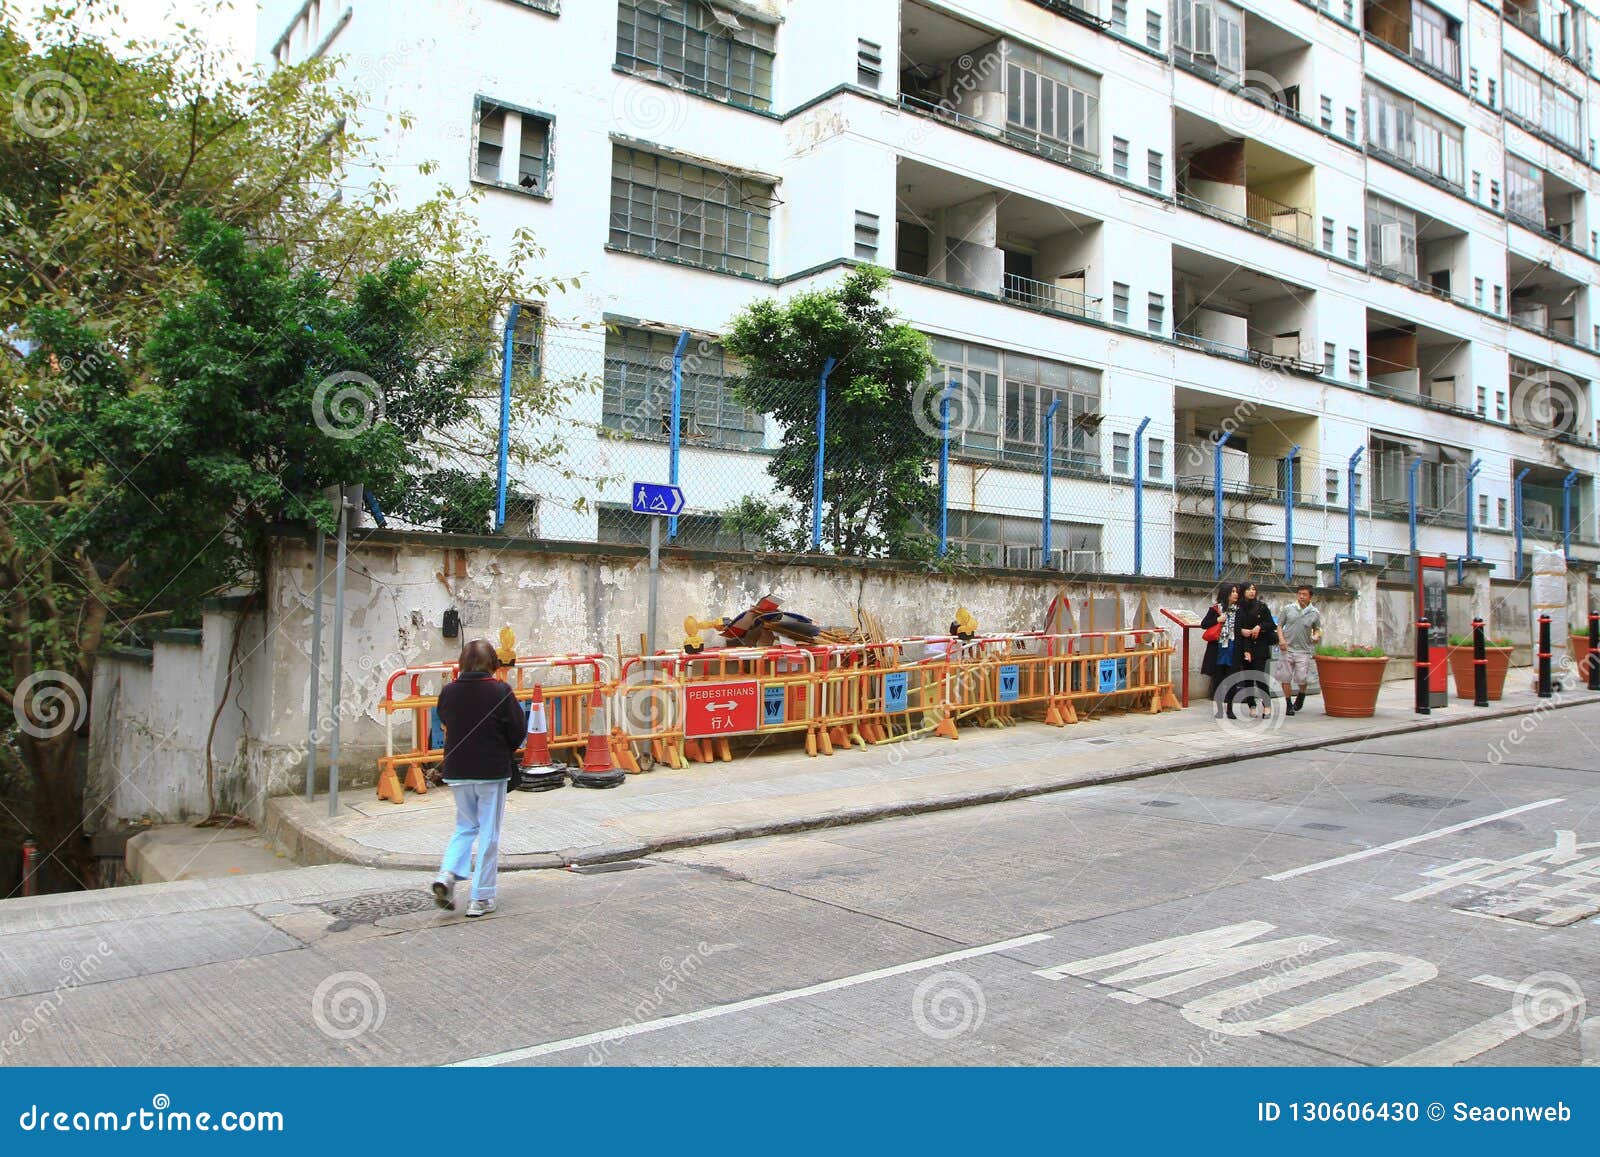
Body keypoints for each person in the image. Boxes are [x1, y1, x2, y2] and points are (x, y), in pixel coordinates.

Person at [430, 639, 526, 917]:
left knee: (465, 826)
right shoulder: (500, 691)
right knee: (488, 832)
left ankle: (447, 874)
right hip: (491, 770)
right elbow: (517, 730)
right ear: (493, 665)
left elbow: (445, 720)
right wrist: (504, 749)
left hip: (457, 770)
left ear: (461, 665)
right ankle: (481, 897)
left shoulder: (448, 692)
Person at [1276, 583, 1323, 715]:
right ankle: (1288, 704)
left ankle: (1301, 695)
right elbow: (1279, 625)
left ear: (1310, 597)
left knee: (1302, 677)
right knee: (1285, 677)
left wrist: (1316, 635)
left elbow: (1318, 628)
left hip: (1303, 650)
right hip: (1287, 648)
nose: (1301, 597)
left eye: (1304, 594)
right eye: (1299, 594)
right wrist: (1281, 640)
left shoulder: (1314, 613)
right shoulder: (1288, 609)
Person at [1234, 582, 1278, 718]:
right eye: (1248, 589)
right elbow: (1234, 626)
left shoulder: (1261, 606)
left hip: (1260, 646)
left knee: (1259, 676)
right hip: (1244, 646)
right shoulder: (1238, 608)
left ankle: (1267, 705)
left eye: (1253, 589)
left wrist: (1260, 627)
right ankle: (1251, 704)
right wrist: (1241, 631)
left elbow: (1271, 623)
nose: (1251, 592)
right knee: (1247, 677)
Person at [1199, 583, 1240, 719]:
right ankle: (1219, 708)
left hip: (1233, 648)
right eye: (1233, 591)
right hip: (1218, 648)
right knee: (1217, 679)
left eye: (1236, 591)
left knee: (1232, 679)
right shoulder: (1216, 609)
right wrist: (1217, 619)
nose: (1236, 594)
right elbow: (1204, 624)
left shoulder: (1239, 610)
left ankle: (1230, 708)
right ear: (1226, 593)